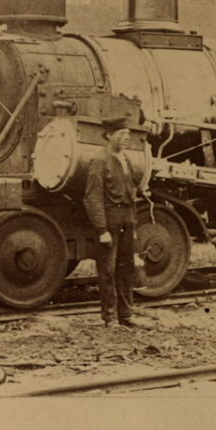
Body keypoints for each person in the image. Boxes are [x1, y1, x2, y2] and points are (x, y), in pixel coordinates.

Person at [85, 116, 146, 328]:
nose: (126, 138)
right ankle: (110, 317)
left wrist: (134, 225)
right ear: (109, 136)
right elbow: (92, 197)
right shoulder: (100, 160)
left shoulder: (126, 159)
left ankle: (126, 314)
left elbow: (131, 194)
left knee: (127, 268)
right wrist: (102, 229)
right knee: (108, 271)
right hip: (110, 223)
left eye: (127, 134)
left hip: (127, 220)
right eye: (121, 134)